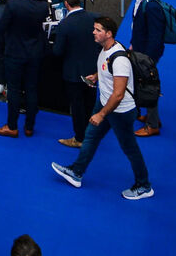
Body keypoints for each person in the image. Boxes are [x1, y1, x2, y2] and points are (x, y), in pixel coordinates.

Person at [50, 15, 153, 200]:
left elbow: (119, 94)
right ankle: (77, 172)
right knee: (91, 137)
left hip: (119, 111)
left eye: (98, 30)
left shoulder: (119, 60)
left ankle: (144, 185)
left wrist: (101, 114)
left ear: (109, 34)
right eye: (94, 29)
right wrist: (97, 76)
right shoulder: (106, 49)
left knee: (129, 148)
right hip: (106, 104)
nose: (93, 32)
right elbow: (107, 69)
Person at [0, 0, 49, 138]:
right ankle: (29, 127)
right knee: (31, 89)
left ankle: (12, 126)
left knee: (14, 90)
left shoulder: (12, 5)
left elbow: (0, 28)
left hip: (14, 53)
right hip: (34, 53)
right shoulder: (43, 7)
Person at [52, 0, 99, 148]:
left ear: (66, 3)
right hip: (93, 70)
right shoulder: (95, 18)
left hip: (73, 73)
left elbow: (57, 51)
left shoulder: (65, 24)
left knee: (77, 105)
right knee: (90, 103)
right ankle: (91, 133)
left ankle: (79, 138)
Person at [126, 0, 168, 135]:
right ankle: (152, 117)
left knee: (148, 86)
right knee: (143, 84)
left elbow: (156, 36)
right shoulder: (142, 1)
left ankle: (152, 125)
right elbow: (139, 27)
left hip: (147, 55)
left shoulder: (151, 6)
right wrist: (133, 44)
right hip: (140, 50)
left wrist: (147, 60)